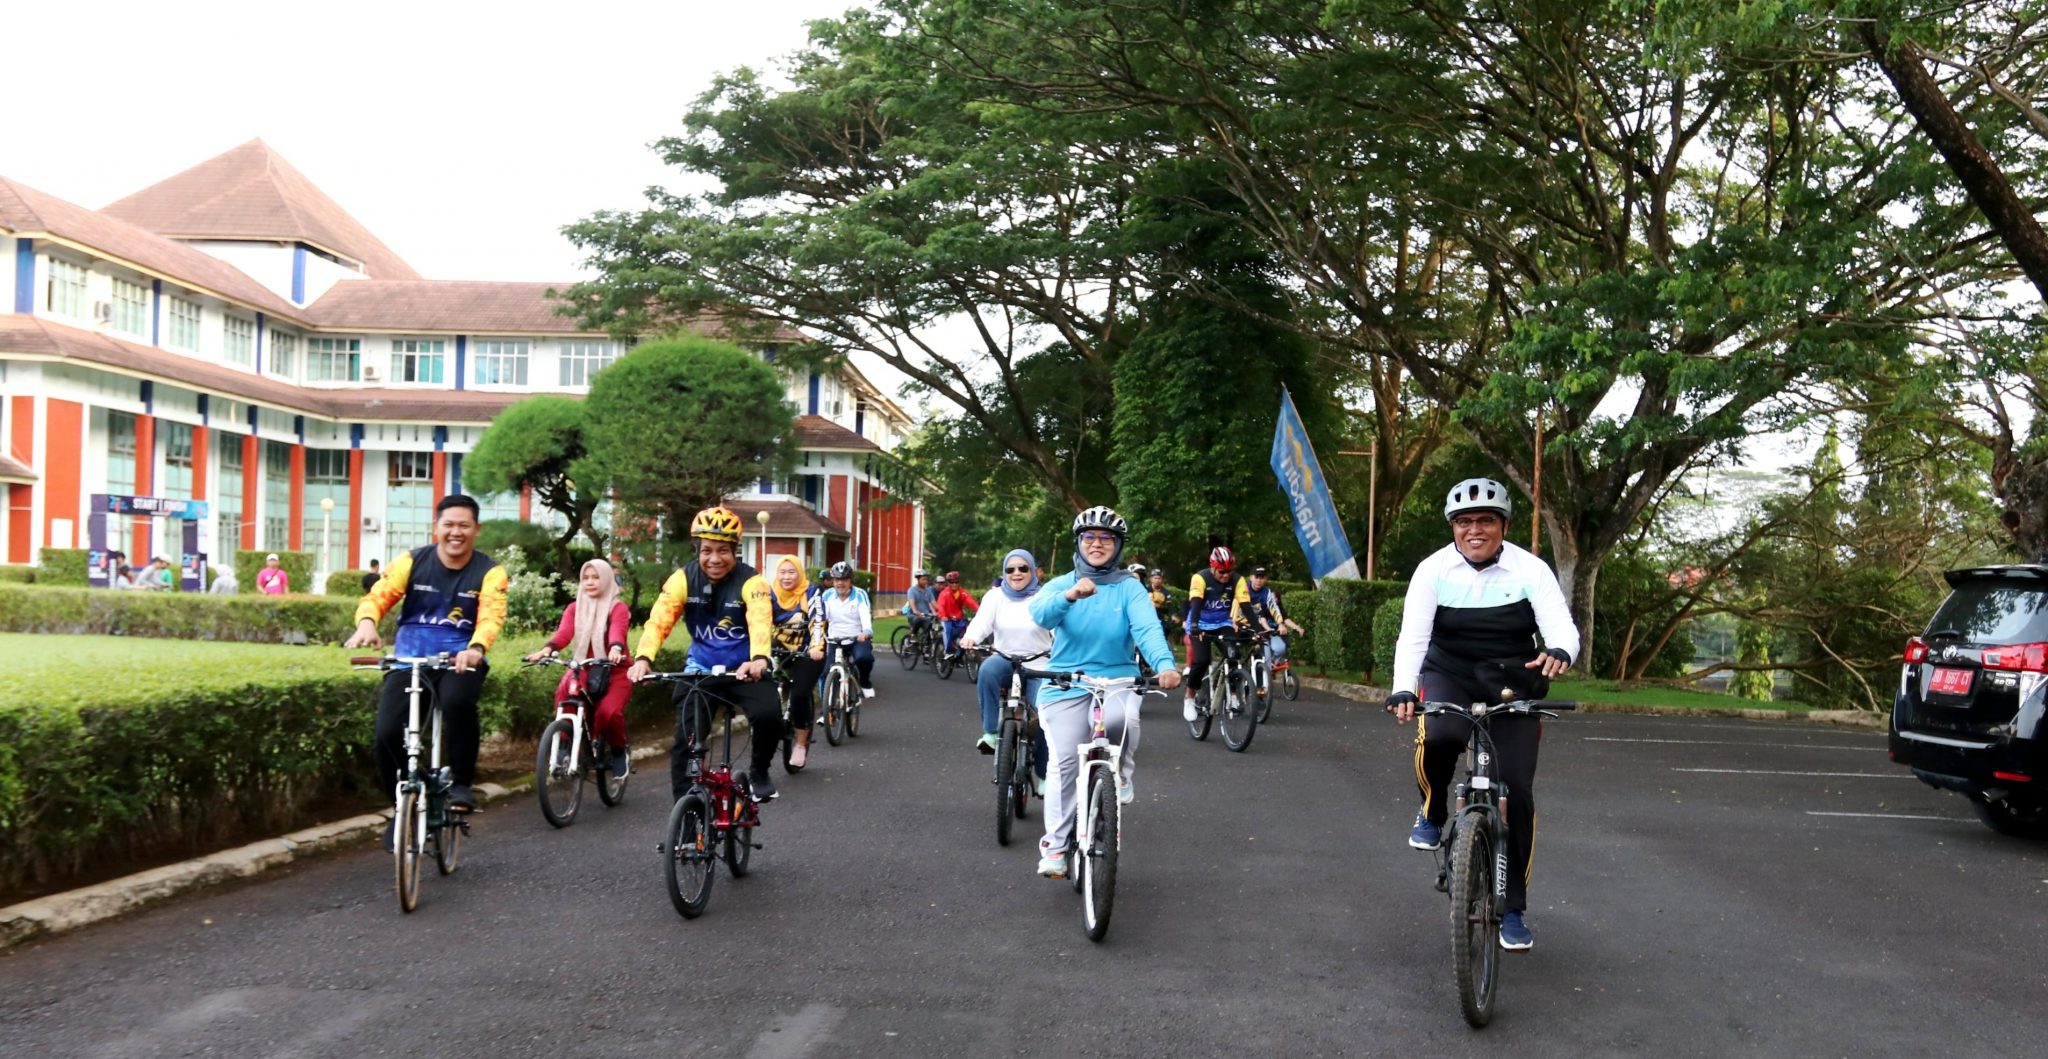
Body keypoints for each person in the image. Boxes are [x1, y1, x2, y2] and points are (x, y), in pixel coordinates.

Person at [1386, 477, 1579, 952]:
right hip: (1450, 671)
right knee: (1440, 734)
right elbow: (1413, 637)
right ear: (1453, 528)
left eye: (1486, 521)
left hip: (1511, 677)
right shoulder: (1433, 570)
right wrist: (1402, 690)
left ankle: (1512, 909)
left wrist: (1560, 651)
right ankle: (1431, 811)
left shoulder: (1529, 569)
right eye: (1465, 522)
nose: (1475, 530)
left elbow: (1562, 628)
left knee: (1518, 790)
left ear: (1503, 526)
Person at [1028, 507, 1180, 877]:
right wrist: (1070, 596)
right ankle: (1056, 846)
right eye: (1090, 538)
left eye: (1106, 539)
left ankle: (1122, 775)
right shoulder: (1063, 583)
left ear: (1118, 546)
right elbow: (1040, 615)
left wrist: (1164, 665)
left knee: (1123, 718)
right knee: (1064, 760)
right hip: (1066, 681)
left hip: (1117, 678)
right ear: (1079, 544)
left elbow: (1146, 629)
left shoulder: (1130, 587)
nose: (1097, 544)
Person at [346, 494, 509, 824]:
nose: (455, 532)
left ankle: (462, 784)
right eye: (448, 525)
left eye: (464, 525)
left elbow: (491, 616)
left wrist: (475, 649)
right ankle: (402, 804)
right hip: (410, 659)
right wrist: (367, 622)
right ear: (436, 527)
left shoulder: (491, 572)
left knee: (457, 703)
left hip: (460, 660)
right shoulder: (411, 561)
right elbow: (378, 596)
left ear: (476, 529)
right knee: (387, 734)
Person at [627, 507, 786, 803]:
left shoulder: (753, 582)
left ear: (735, 551)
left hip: (745, 670)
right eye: (707, 550)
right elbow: (658, 621)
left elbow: (761, 621)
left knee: (769, 716)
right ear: (697, 550)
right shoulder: (682, 579)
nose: (714, 559)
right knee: (685, 743)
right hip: (701, 669)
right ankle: (685, 816)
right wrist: (643, 658)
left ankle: (759, 772)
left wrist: (760, 659)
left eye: (723, 551)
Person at [524, 558, 632, 778]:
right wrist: (546, 650)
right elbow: (563, 634)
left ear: (607, 579)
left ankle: (619, 752)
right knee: (566, 691)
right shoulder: (575, 608)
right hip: (583, 664)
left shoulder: (617, 607)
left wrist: (615, 648)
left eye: (596, 577)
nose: (590, 582)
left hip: (614, 668)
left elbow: (617, 631)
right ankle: (564, 747)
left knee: (608, 713)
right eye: (585, 578)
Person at [957, 549, 1052, 788]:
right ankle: (991, 733)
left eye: (1023, 568)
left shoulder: (1045, 597)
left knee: (1045, 715)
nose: (1016, 573)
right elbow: (982, 622)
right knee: (988, 670)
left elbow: (1059, 629)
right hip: (1005, 658)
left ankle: (1043, 775)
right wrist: (970, 638)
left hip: (1038, 663)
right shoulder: (995, 596)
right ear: (1004, 573)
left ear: (1033, 571)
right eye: (1010, 569)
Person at [765, 554, 826, 769]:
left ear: (799, 573)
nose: (786, 577)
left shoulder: (811, 592)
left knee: (800, 694)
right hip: (779, 648)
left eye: (792, 572)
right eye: (782, 572)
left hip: (808, 651)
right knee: (763, 685)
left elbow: (818, 620)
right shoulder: (770, 592)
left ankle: (801, 743)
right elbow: (760, 620)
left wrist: (816, 648)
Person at [1181, 546, 1243, 721]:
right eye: (1222, 572)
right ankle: (1189, 697)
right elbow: (1195, 604)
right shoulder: (1200, 578)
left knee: (1234, 655)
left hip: (1222, 622)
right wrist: (1194, 625)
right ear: (1213, 567)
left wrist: (1259, 629)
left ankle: (1233, 696)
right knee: (1202, 660)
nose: (1226, 575)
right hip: (1200, 621)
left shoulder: (1237, 580)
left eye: (1229, 571)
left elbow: (1245, 605)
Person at [815, 561, 877, 698]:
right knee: (825, 673)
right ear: (833, 581)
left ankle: (865, 682)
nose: (840, 583)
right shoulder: (827, 595)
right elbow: (820, 616)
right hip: (834, 639)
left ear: (850, 581)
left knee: (864, 658)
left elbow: (865, 614)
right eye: (837, 580)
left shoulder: (860, 594)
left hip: (856, 638)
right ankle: (826, 710)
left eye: (844, 579)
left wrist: (866, 631)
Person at [1234, 566, 1306, 668]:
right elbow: (1235, 606)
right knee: (1235, 652)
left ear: (1266, 579)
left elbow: (1274, 607)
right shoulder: (1244, 589)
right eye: (1256, 577)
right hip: (1240, 623)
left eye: (1262, 577)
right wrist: (1233, 621)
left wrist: (1280, 624)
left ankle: (1262, 676)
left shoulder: (1266, 592)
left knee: (1264, 654)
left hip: (1256, 625)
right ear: (1251, 577)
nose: (1259, 580)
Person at [934, 570, 980, 658]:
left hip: (958, 618)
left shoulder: (962, 592)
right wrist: (943, 616)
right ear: (948, 583)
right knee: (948, 630)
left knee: (967, 632)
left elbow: (971, 602)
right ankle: (948, 651)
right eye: (952, 582)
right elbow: (941, 606)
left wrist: (980, 611)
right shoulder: (944, 593)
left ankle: (960, 654)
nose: (954, 584)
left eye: (956, 582)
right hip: (947, 619)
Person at [903, 569, 938, 648]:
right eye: (923, 579)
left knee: (930, 630)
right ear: (918, 579)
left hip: (925, 616)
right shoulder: (912, 591)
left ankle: (927, 652)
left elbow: (934, 604)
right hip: (914, 615)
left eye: (926, 579)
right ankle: (913, 636)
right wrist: (916, 611)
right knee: (918, 619)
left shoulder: (928, 591)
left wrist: (942, 611)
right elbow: (912, 604)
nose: (925, 581)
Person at [1146, 569, 1179, 647]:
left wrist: (1173, 615)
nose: (1157, 580)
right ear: (1151, 579)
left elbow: (1170, 605)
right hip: (1147, 618)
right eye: (1155, 578)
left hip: (1160, 618)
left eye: (1159, 578)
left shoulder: (1166, 592)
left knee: (1165, 632)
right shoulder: (1145, 590)